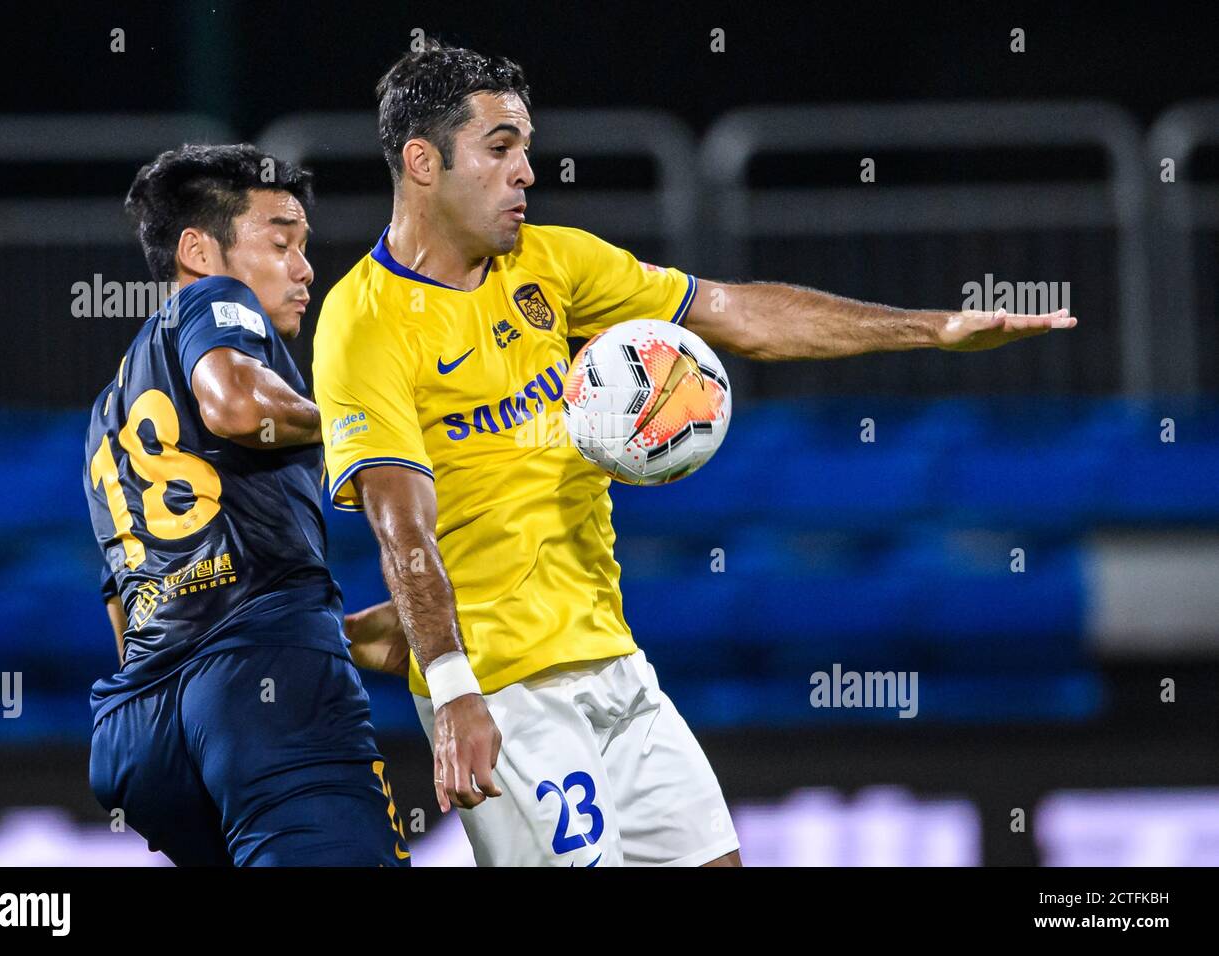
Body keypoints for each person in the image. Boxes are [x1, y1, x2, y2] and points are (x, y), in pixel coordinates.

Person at [312, 41, 1075, 867]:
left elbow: (736, 315)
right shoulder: (365, 323)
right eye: (501, 149)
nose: (527, 171)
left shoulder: (555, 264)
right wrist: (455, 691)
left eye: (526, 147)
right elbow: (401, 524)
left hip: (613, 662)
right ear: (423, 162)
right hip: (504, 693)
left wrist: (931, 329)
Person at [84, 144, 409, 866]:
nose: (304, 268)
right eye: (281, 240)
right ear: (199, 252)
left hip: (139, 733)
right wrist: (364, 420)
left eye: (304, 246)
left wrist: (341, 636)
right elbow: (233, 404)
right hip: (260, 691)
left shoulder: (107, 415)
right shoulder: (214, 298)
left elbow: (126, 610)